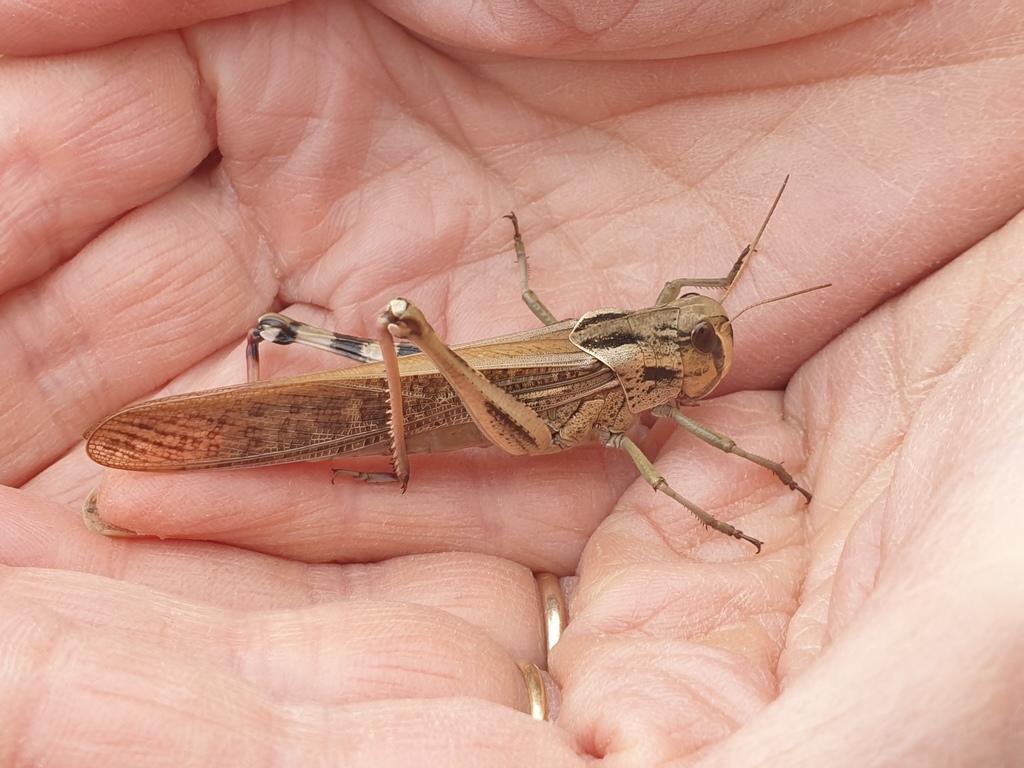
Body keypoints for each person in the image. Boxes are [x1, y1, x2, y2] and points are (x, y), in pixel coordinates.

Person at [2, 1, 1022, 763]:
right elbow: (653, 441)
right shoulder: (636, 405)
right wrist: (731, 483)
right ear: (662, 361)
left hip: (496, 389)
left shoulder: (655, 345)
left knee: (410, 348)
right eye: (688, 346)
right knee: (404, 339)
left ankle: (350, 426)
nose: (699, 349)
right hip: (490, 411)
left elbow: (629, 320)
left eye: (698, 333)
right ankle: (382, 457)